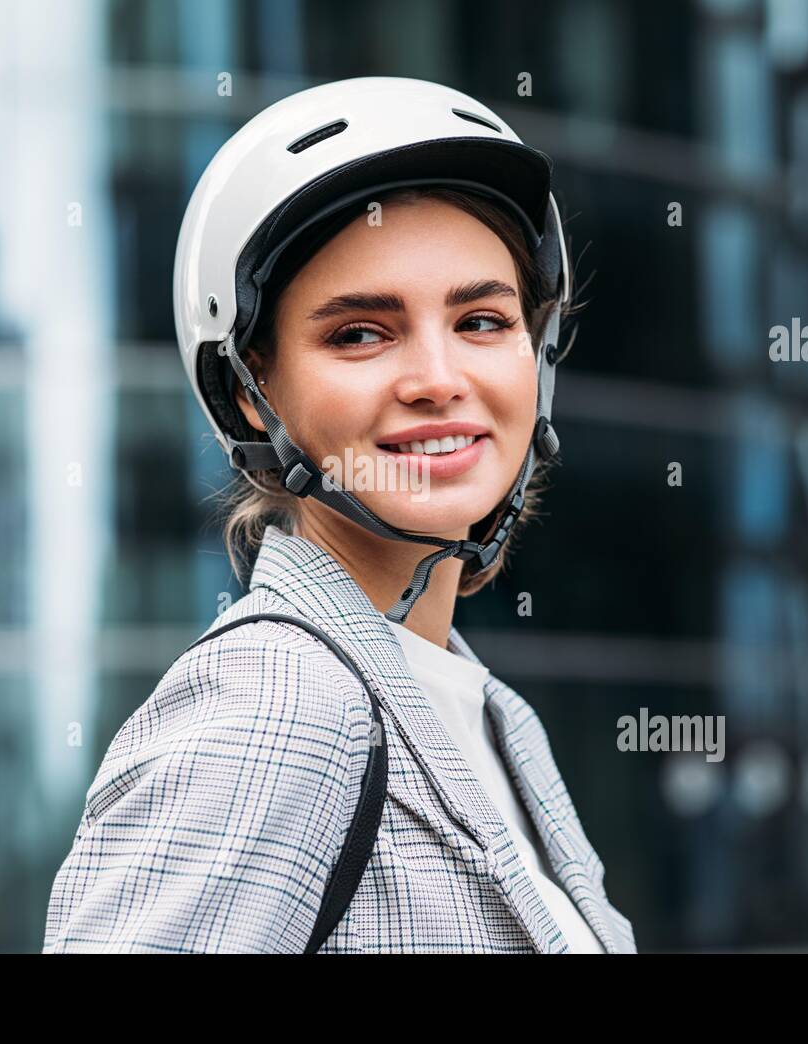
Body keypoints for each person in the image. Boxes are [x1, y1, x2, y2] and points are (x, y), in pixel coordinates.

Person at [42, 76, 637, 953]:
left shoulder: (493, 719)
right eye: (360, 332)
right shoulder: (273, 705)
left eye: (481, 319)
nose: (438, 378)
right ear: (251, 393)